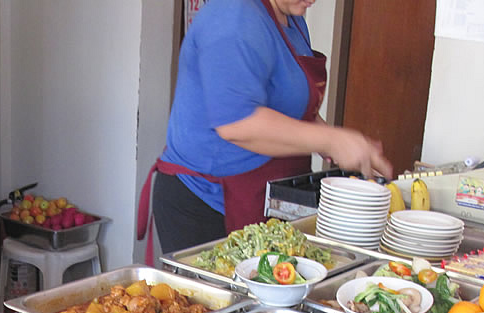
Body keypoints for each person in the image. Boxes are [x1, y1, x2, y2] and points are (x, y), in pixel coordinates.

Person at [138, 0, 394, 259]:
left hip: (266, 196)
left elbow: (291, 107)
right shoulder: (234, 15)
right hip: (210, 202)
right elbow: (237, 124)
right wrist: (331, 141)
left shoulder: (290, 18)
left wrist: (342, 145)